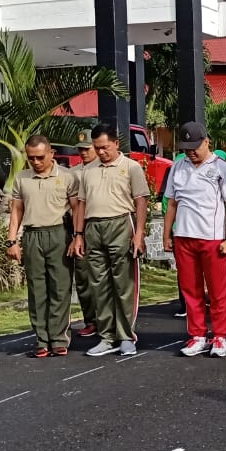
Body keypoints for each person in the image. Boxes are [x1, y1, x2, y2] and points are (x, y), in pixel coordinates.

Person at [70, 122, 149, 357]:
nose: (101, 152)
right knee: (98, 285)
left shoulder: (131, 167)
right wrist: (79, 235)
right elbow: (81, 204)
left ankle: (126, 336)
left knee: (123, 284)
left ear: (116, 143)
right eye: (97, 147)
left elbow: (141, 201)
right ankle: (106, 336)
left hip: (121, 224)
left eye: (105, 147)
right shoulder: (88, 170)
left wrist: (139, 233)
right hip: (93, 227)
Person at [162, 122, 226, 359]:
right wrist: (167, 234)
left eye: (195, 147)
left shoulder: (221, 167)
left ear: (207, 141)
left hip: (212, 238)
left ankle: (220, 336)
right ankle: (197, 335)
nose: (191, 152)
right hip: (184, 236)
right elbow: (172, 203)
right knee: (190, 289)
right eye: (186, 148)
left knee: (217, 291)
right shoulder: (178, 166)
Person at [7, 135, 78, 357]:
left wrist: (78, 236)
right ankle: (41, 340)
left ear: (51, 154)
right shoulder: (22, 178)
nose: (35, 162)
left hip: (58, 234)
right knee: (37, 290)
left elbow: (77, 209)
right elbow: (17, 210)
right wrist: (12, 241)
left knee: (60, 287)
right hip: (32, 236)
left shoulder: (67, 177)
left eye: (39, 157)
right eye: (31, 158)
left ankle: (58, 338)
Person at [70, 137, 99, 338]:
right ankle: (90, 320)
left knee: (103, 277)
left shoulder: (103, 169)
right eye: (80, 149)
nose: (83, 153)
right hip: (78, 228)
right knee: (82, 277)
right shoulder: (72, 174)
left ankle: (109, 320)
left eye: (87, 148)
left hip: (99, 224)